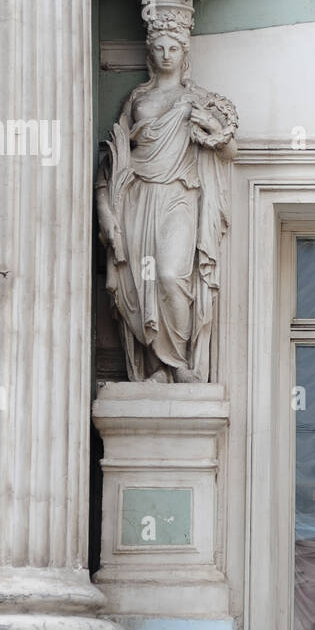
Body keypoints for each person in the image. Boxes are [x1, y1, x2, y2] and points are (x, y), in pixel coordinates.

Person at [95, 19, 237, 383]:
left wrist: (210, 129)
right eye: (159, 47)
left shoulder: (197, 99)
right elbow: (112, 160)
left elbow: (229, 147)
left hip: (179, 193)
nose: (166, 54)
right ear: (150, 53)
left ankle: (179, 362)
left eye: (173, 47)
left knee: (170, 275)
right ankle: (157, 368)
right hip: (138, 196)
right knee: (140, 286)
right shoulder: (138, 99)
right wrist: (105, 209)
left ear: (184, 53)